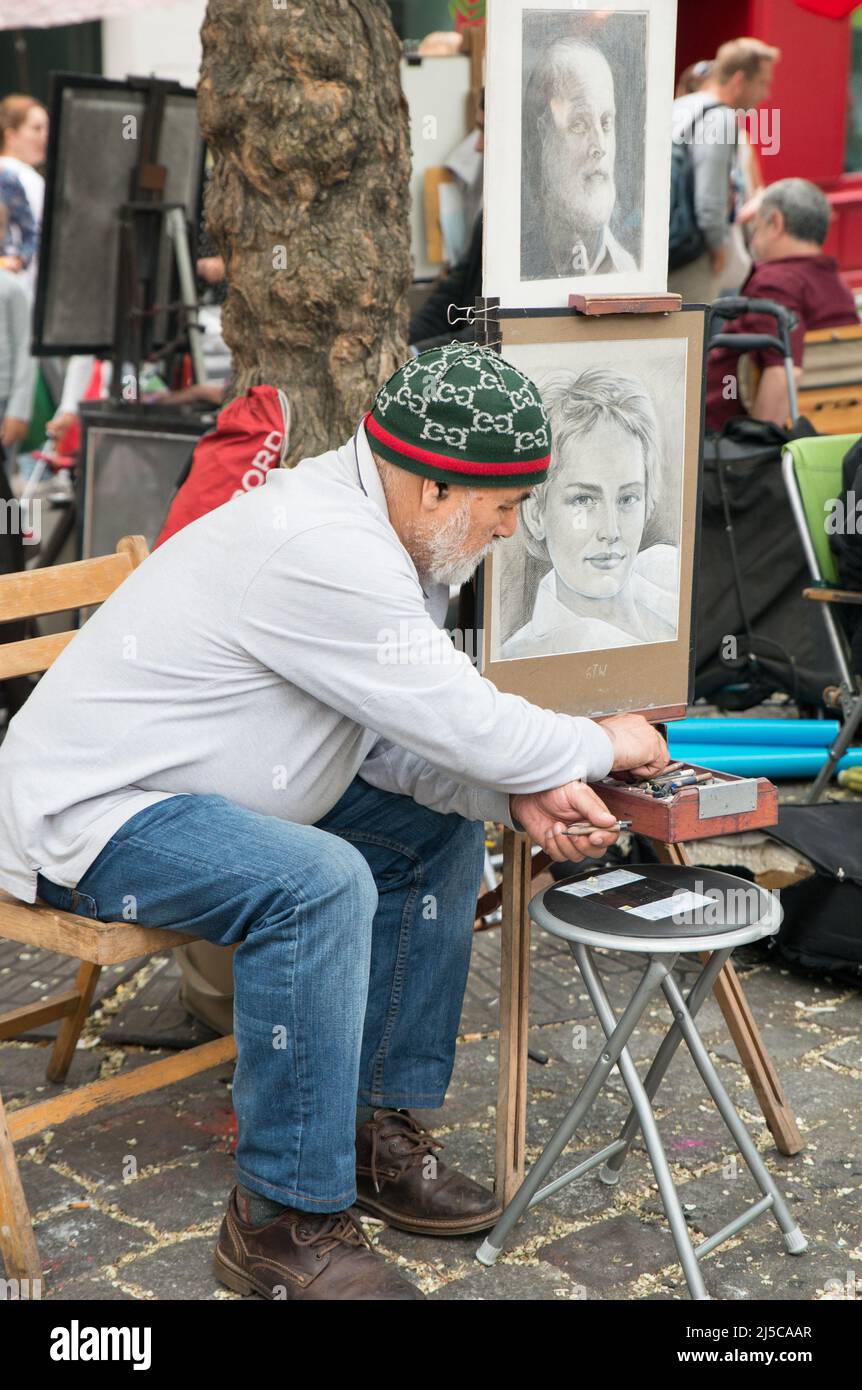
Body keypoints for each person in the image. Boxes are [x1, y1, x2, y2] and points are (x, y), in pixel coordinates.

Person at [0, 342, 669, 1301]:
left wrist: (510, 798)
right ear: (437, 487)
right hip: (96, 812)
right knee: (319, 882)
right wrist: (602, 744)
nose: (512, 532)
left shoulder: (383, 532)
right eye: (504, 508)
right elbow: (466, 720)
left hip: (208, 790)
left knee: (427, 835)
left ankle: (363, 1128)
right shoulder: (327, 545)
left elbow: (390, 744)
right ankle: (279, 1222)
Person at [501, 368, 678, 659]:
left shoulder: (667, 574)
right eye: (584, 499)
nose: (611, 530)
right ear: (535, 515)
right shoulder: (521, 657)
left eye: (628, 498)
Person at [705, 179, 858, 433]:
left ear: (775, 223)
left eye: (756, 227)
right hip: (830, 431)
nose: (753, 237)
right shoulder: (837, 284)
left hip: (736, 444)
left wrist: (756, 450)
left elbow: (784, 373)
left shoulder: (775, 283)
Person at [669, 36, 779, 305]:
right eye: (763, 83)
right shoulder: (720, 118)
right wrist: (718, 248)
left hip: (666, 243)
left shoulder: (680, 108)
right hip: (693, 252)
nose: (766, 94)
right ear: (740, 79)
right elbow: (710, 197)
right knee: (695, 339)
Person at [521, 37, 636, 281]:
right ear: (542, 136)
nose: (600, 147)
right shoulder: (513, 257)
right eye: (579, 124)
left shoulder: (630, 271)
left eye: (606, 123)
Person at [410, 102, 484, 351]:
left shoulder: (525, 227)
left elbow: (498, 331)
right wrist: (392, 343)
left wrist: (415, 355)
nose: (477, 146)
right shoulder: (487, 219)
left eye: (485, 131)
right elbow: (449, 304)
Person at [0, 95, 48, 294]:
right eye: (36, 128)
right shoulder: (22, 178)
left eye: (46, 128)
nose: (44, 136)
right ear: (11, 135)